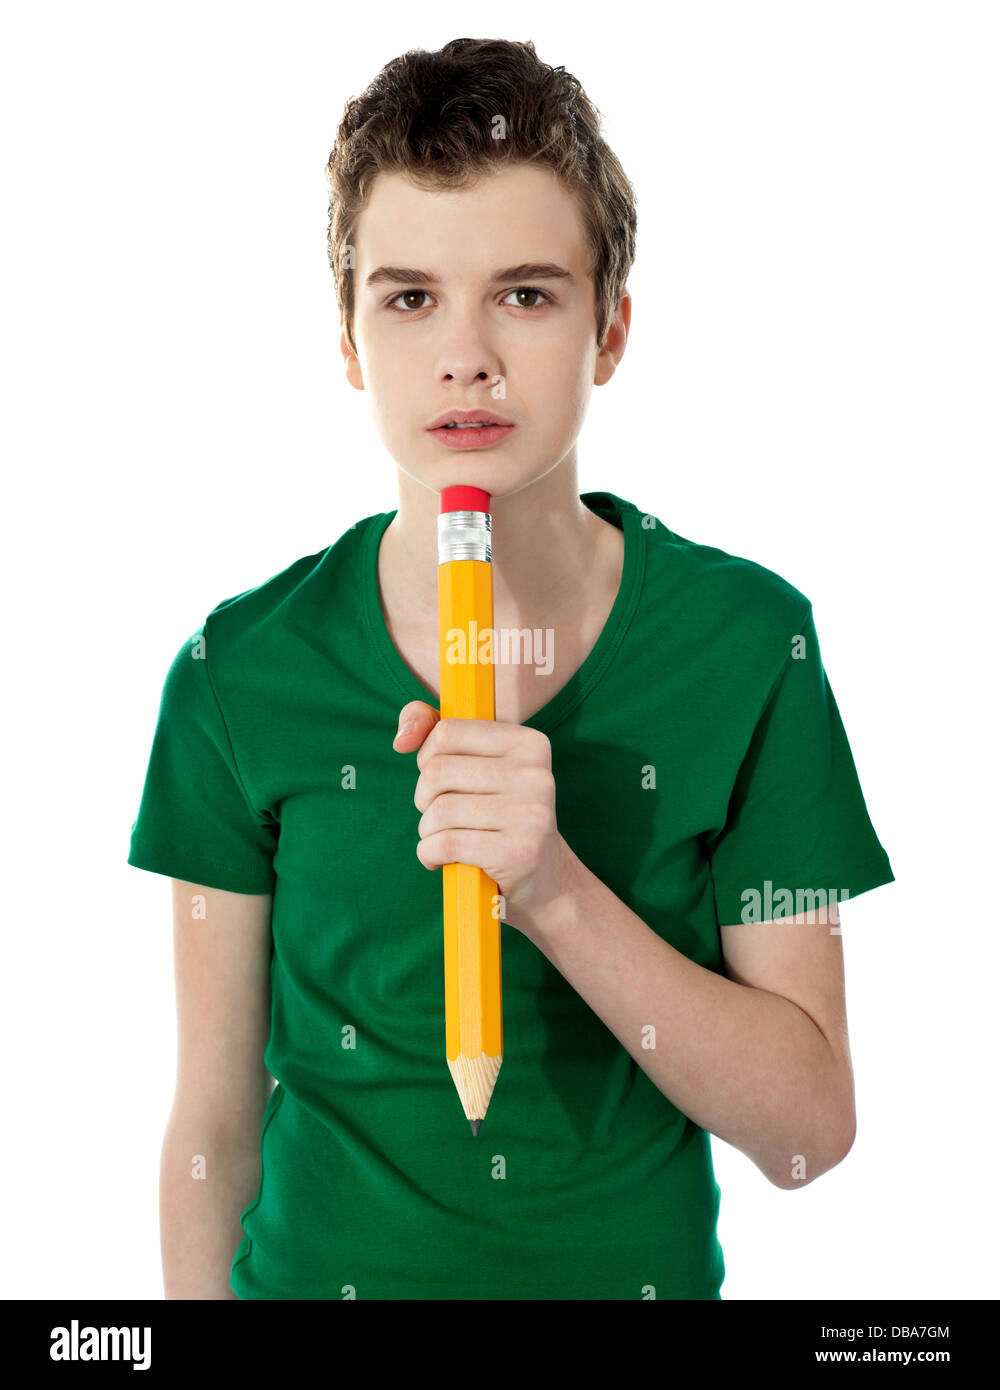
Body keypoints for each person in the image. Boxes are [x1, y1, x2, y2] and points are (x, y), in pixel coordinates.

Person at [127, 37, 894, 1301]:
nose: (466, 356)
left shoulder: (752, 643)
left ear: (611, 329)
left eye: (527, 294)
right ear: (347, 336)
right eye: (410, 295)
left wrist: (552, 890)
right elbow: (209, 1124)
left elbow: (807, 1134)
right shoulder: (237, 672)